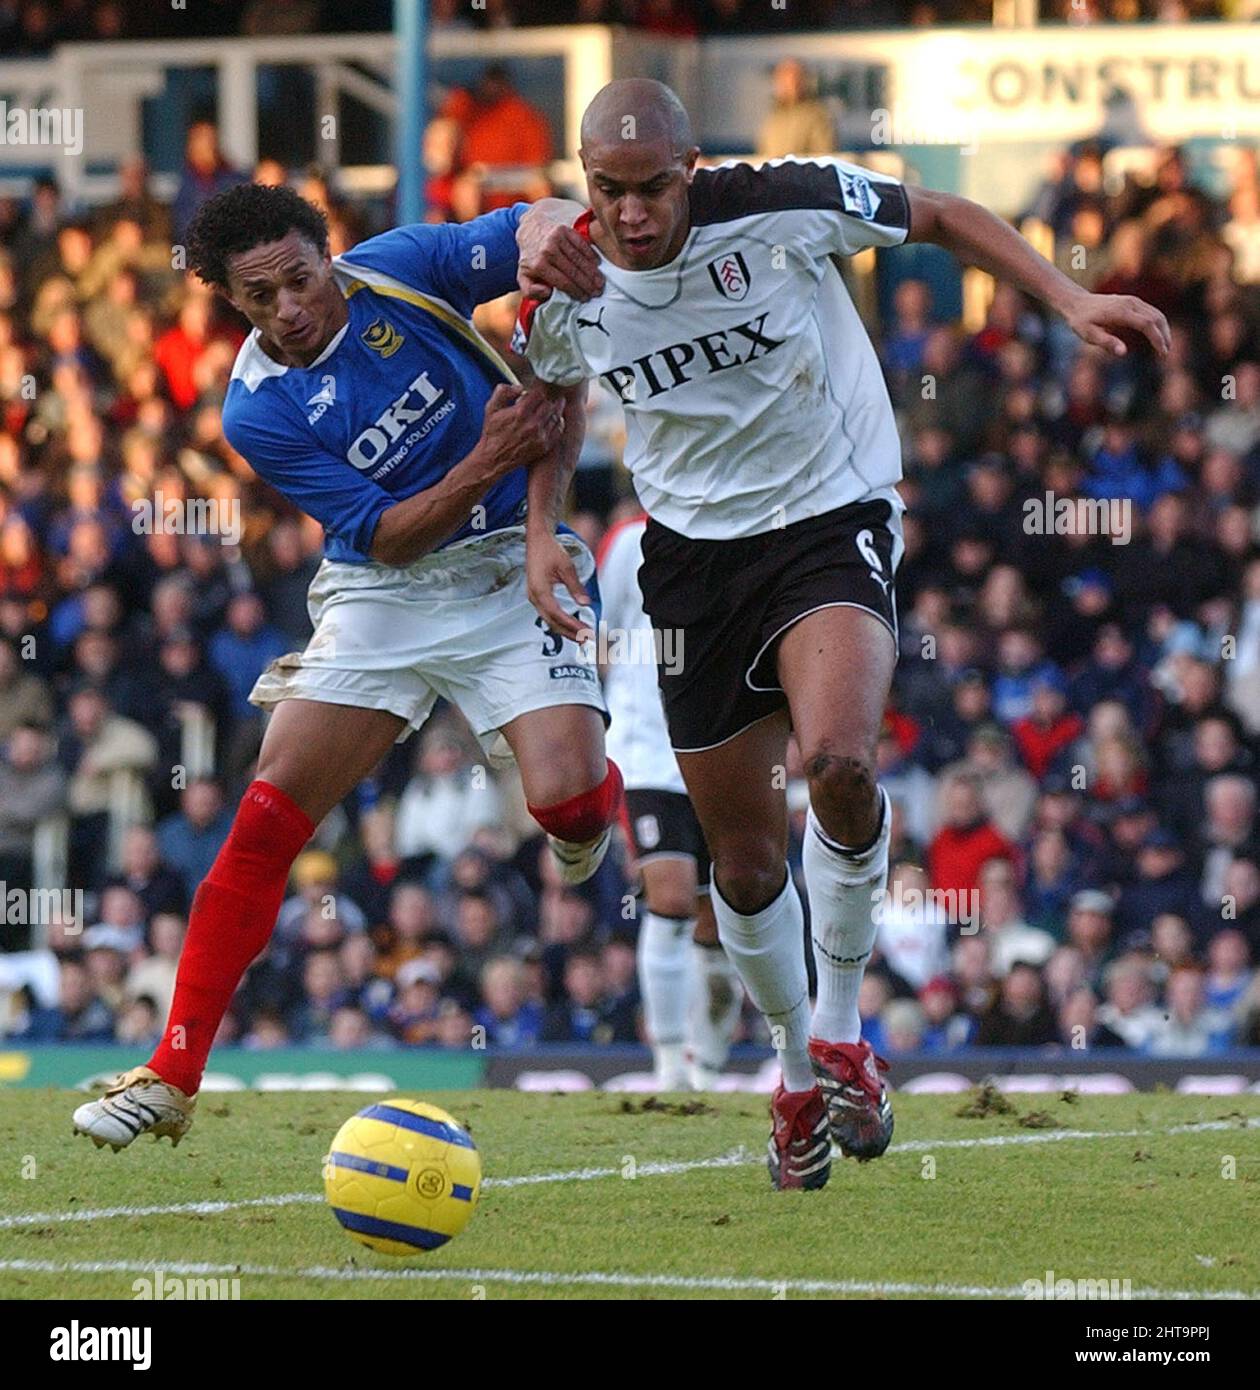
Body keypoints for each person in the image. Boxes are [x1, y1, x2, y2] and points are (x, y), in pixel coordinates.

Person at [512, 78, 1169, 1189]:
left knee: (839, 765)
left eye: (653, 186)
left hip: (828, 517)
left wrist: (1066, 297)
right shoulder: (566, 284)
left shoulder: (784, 202)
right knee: (743, 863)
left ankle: (843, 1029)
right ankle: (792, 1077)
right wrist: (541, 529)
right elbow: (550, 393)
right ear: (585, 180)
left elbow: (943, 213)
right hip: (692, 562)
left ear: (690, 169)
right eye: (608, 189)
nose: (630, 212)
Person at [71, 182, 621, 1152]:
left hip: (507, 562)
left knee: (571, 807)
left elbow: (530, 221)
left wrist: (548, 232)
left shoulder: (399, 270)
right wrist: (490, 456)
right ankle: (170, 1072)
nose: (288, 308)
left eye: (299, 278)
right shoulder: (258, 412)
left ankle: (596, 808)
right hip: (387, 590)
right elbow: (388, 538)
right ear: (229, 301)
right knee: (264, 816)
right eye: (259, 297)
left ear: (327, 255)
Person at [597, 508, 740, 1089]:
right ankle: (668, 1062)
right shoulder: (631, 540)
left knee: (720, 922)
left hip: (719, 753)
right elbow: (595, 629)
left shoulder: (741, 531)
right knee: (673, 899)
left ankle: (709, 1068)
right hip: (646, 755)